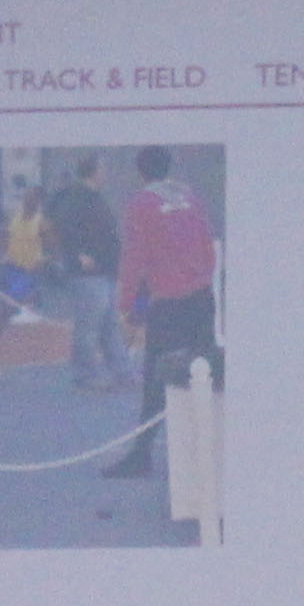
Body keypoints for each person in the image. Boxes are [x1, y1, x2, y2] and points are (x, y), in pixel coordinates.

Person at [108, 147, 217, 478]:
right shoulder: (190, 197)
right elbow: (207, 245)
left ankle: (141, 456)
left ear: (140, 173)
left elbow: (135, 257)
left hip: (169, 304)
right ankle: (207, 453)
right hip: (200, 298)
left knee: (157, 380)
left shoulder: (141, 205)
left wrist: (126, 305)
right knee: (204, 373)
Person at [40, 156, 126, 390]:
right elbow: (65, 226)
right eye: (102, 169)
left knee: (109, 324)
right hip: (88, 273)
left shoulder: (92, 197)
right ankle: (86, 374)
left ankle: (121, 371)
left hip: (103, 270)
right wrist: (79, 254)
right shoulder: (77, 197)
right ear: (94, 171)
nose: (105, 173)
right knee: (89, 327)